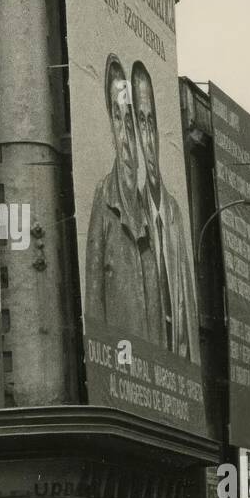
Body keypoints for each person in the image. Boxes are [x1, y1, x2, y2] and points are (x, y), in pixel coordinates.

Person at [84, 55, 162, 344]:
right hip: (120, 369)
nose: (126, 130)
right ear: (110, 123)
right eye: (118, 117)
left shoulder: (149, 211)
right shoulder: (103, 200)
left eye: (129, 117)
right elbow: (93, 300)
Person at [130, 61, 198, 361]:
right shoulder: (132, 214)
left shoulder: (174, 215)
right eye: (140, 124)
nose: (148, 137)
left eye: (151, 122)